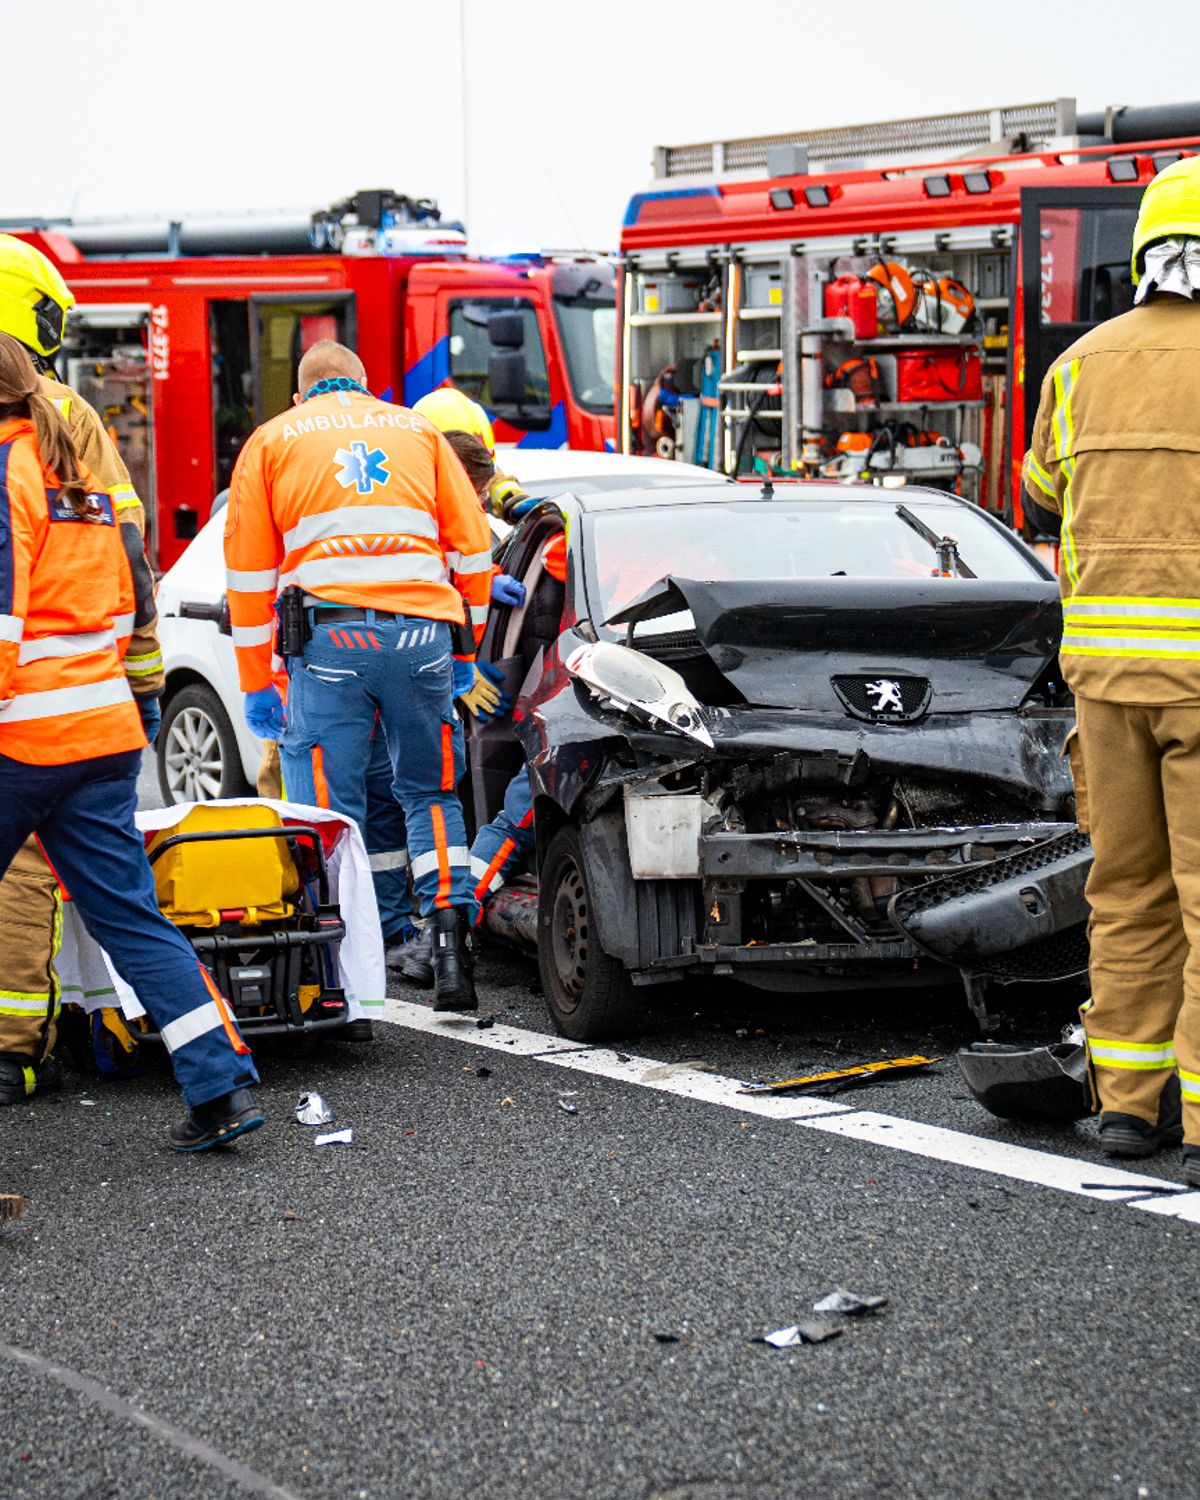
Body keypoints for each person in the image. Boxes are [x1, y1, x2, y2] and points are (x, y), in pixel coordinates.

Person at [0, 332, 262, 1149]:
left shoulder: (6, 472)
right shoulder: (86, 479)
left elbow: (4, 621)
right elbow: (131, 607)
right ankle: (219, 1090)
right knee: (134, 922)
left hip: (20, 739)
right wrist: (141, 710)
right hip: (103, 733)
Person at [1023, 155, 1200, 1178]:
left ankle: (1127, 1107)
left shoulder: (1082, 364)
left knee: (1127, 888)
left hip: (1104, 674)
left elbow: (1044, 493)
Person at [224, 342, 493, 1010]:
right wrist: (465, 653)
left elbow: (249, 578)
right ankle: (450, 946)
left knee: (325, 809)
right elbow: (474, 550)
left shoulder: (273, 440)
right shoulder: (418, 432)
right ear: (367, 386)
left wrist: (257, 681)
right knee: (430, 795)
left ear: (301, 394)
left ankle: (333, 976)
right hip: (422, 636)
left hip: (331, 642)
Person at [0, 235, 163, 1104]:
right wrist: (144, 678)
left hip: (27, 703)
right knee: (110, 892)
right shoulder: (70, 419)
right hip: (85, 704)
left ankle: (14, 1044)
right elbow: (128, 561)